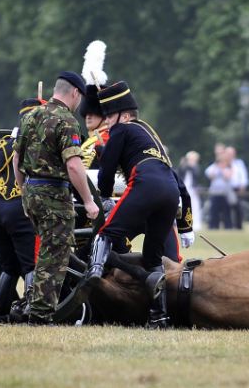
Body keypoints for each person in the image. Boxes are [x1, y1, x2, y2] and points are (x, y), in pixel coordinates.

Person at [85, 81, 185, 328]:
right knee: (153, 259)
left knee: (104, 236)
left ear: (125, 115)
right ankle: (159, 316)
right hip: (171, 193)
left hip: (145, 184)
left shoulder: (122, 129)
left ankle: (93, 279)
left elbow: (107, 168)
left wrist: (106, 196)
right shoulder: (150, 136)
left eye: (110, 115)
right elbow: (176, 177)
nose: (107, 120)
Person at [13, 72, 100, 325]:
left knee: (45, 254)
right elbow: (74, 165)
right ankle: (40, 315)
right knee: (55, 256)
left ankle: (34, 306)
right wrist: (88, 201)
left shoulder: (30, 116)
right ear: (75, 93)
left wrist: (24, 191)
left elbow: (17, 160)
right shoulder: (67, 121)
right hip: (54, 195)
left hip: (31, 192)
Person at [0, 97, 41, 325]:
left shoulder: (1, 143)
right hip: (20, 208)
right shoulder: (36, 143)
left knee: (8, 266)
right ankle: (30, 312)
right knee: (30, 264)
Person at [205, 149, 235, 229]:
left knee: (226, 212)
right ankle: (213, 226)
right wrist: (216, 167)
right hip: (215, 193)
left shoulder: (228, 168)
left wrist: (222, 169)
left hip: (224, 194)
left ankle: (228, 226)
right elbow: (210, 175)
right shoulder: (214, 168)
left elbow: (227, 177)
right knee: (214, 211)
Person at [178, 151, 204, 231]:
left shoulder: (196, 167)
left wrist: (190, 165)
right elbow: (180, 172)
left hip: (193, 190)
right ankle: (180, 223)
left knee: (195, 206)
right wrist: (183, 164)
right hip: (184, 189)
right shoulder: (183, 166)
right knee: (181, 206)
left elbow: (196, 174)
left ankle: (196, 224)